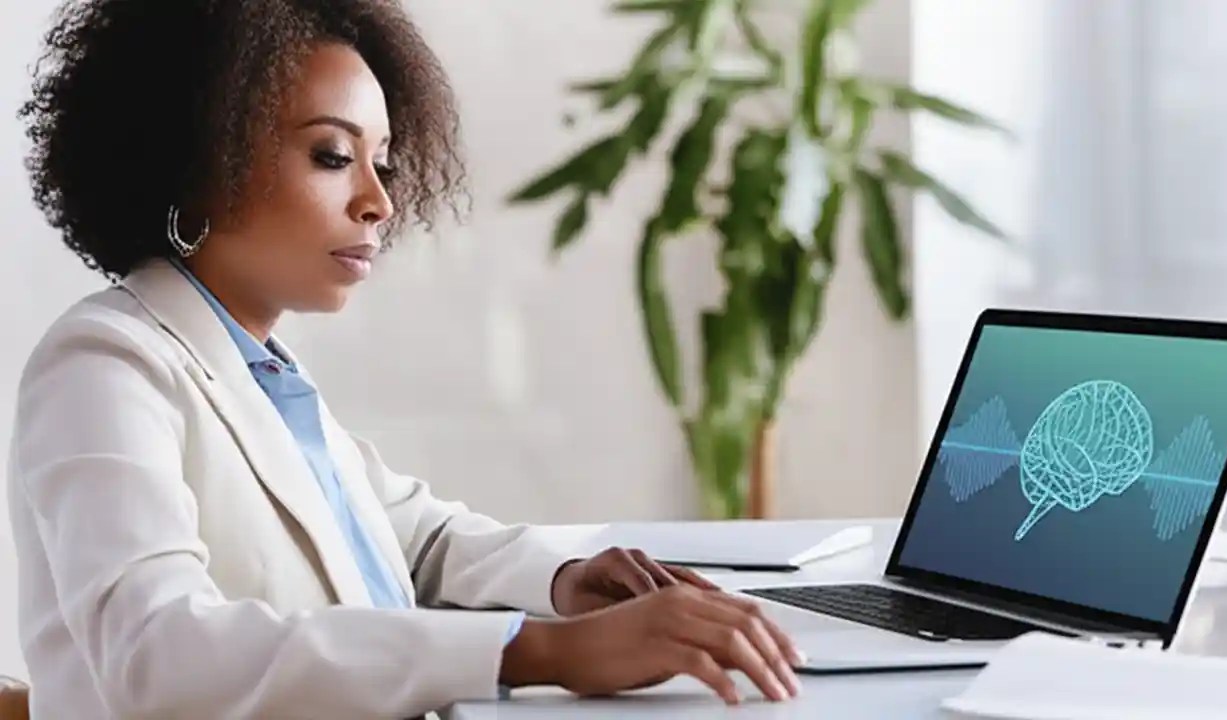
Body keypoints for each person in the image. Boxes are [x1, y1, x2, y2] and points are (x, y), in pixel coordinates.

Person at [6, 0, 806, 717]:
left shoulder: (260, 370)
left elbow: (412, 537)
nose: (378, 201)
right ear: (200, 158)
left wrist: (568, 582)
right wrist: (537, 651)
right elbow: (158, 655)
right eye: (331, 155)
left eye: (381, 162)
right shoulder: (102, 367)